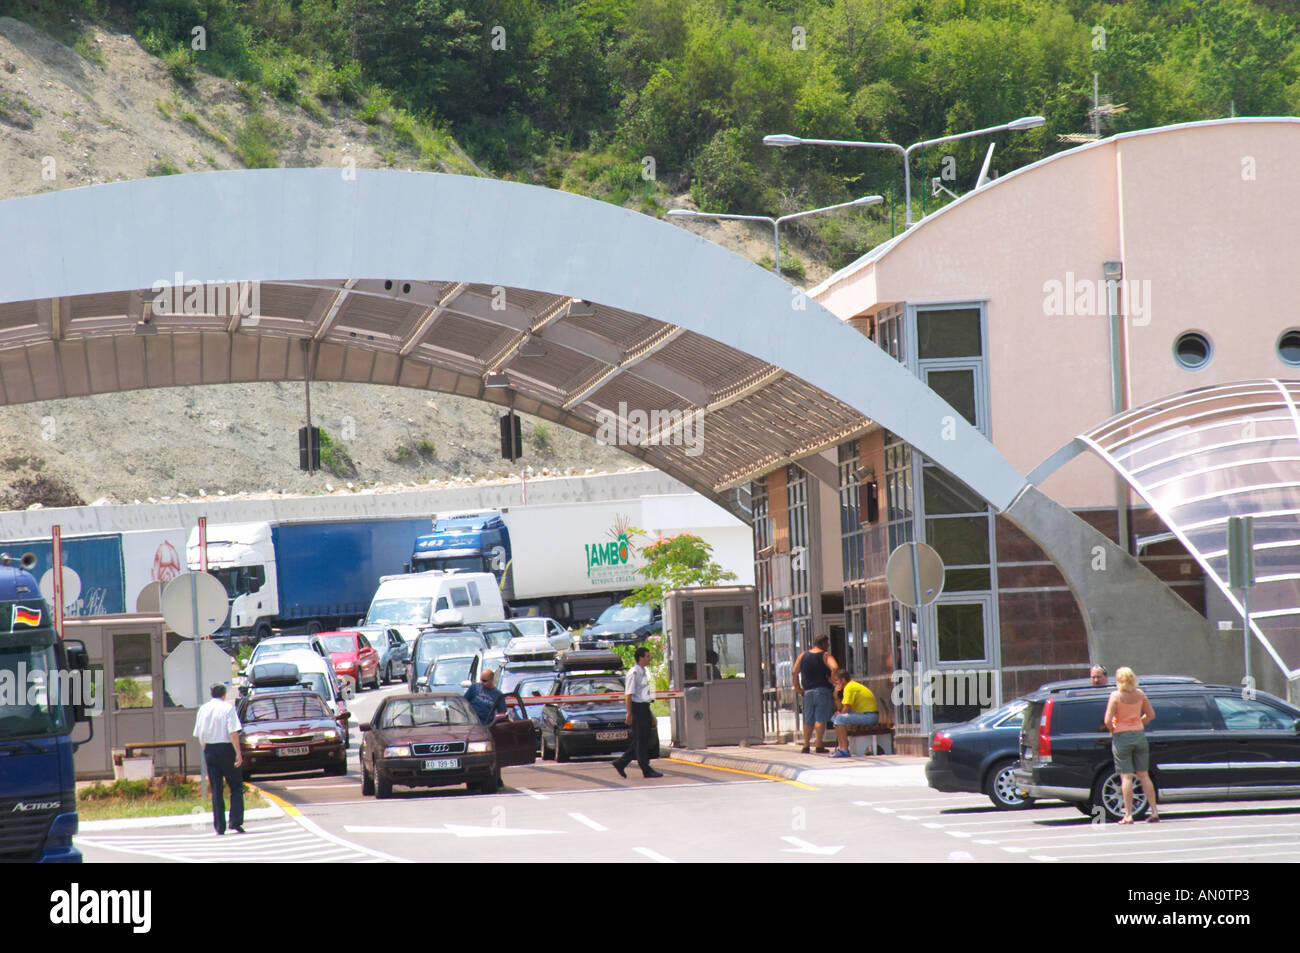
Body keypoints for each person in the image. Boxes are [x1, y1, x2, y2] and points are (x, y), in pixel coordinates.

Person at [1103, 666, 1159, 824]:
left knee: (1126, 776)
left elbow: (1107, 720)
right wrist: (1138, 723)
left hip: (1122, 736)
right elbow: (1151, 715)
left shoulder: (1116, 696)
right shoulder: (1140, 694)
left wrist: (1113, 729)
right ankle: (1154, 811)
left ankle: (1128, 814)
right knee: (1143, 774)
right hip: (1139, 735)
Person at [193, 683, 244, 835]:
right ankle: (235, 821)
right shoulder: (228, 708)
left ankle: (219, 826)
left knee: (216, 788)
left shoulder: (203, 709)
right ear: (224, 694)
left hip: (209, 749)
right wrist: (238, 753)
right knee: (235, 786)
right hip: (226, 748)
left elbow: (199, 732)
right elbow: (233, 732)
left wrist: (205, 747)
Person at [612, 646, 663, 779]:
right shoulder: (633, 673)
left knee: (641, 740)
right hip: (638, 708)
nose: (649, 658)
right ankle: (646, 769)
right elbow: (628, 695)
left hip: (644, 707)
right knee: (641, 741)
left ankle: (621, 762)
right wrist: (629, 713)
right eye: (647, 656)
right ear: (640, 658)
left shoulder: (644, 671)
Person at [792, 634, 838, 754]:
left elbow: (794, 671)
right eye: (827, 644)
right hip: (822, 690)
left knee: (808, 719)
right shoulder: (825, 655)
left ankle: (806, 745)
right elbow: (834, 667)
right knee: (820, 718)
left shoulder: (803, 655)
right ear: (823, 644)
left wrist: (797, 688)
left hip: (807, 692)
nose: (828, 646)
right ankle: (819, 744)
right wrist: (833, 680)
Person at [828, 669, 878, 757]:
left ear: (843, 680)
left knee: (839, 718)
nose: (835, 684)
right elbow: (841, 708)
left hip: (869, 716)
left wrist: (839, 714)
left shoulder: (849, 687)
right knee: (835, 718)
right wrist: (835, 696)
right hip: (864, 714)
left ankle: (844, 749)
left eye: (837, 681)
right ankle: (841, 746)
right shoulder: (849, 686)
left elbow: (846, 709)